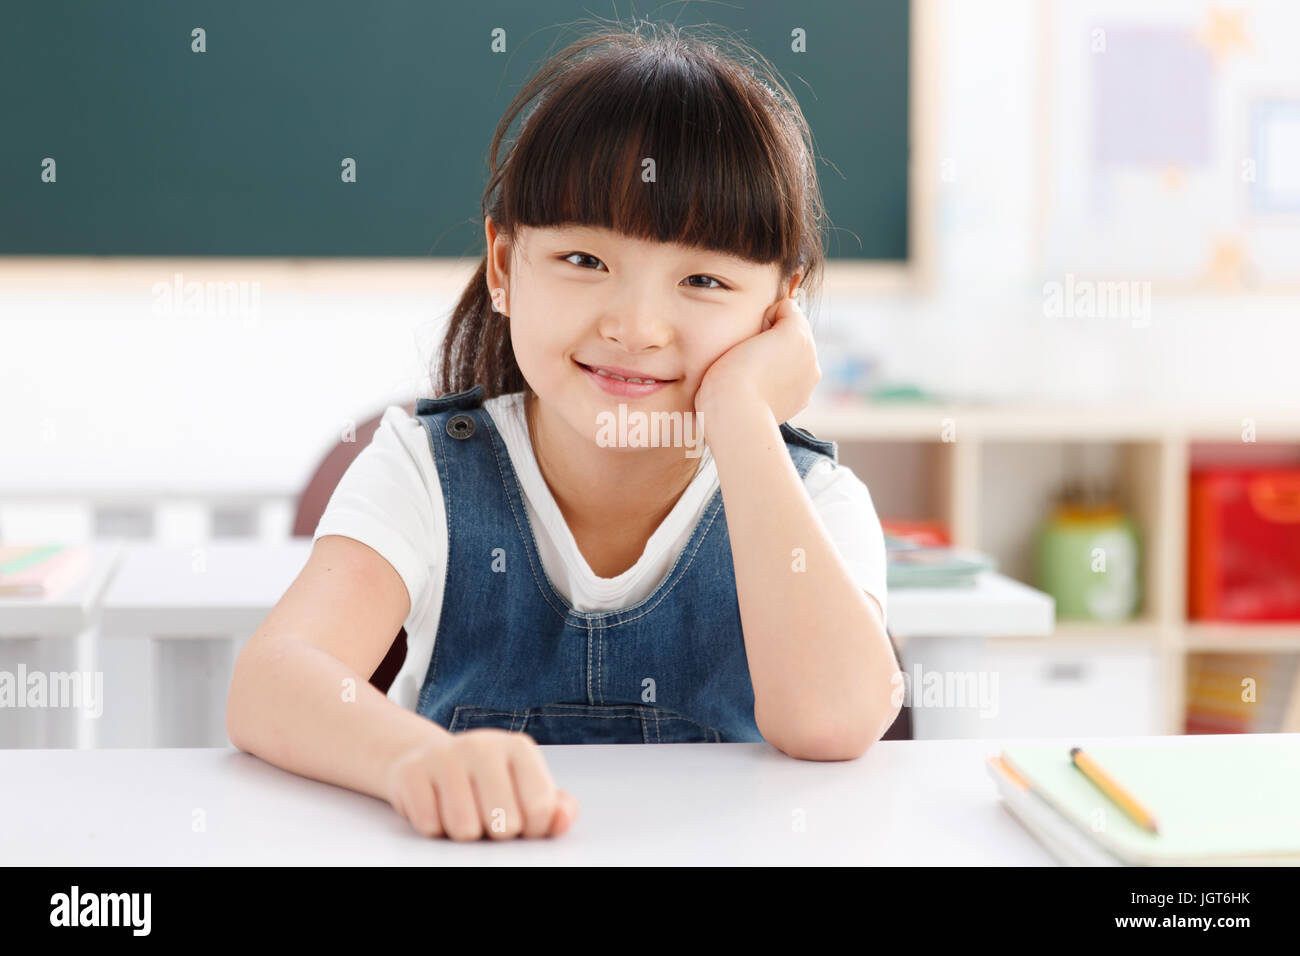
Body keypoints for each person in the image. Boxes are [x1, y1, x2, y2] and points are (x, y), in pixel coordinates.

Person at [227, 19, 899, 842]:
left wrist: (742, 417)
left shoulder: (816, 501)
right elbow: (271, 680)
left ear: (778, 308)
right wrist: (412, 758)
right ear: (505, 267)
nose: (636, 325)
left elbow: (832, 722)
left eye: (702, 278)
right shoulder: (424, 469)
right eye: (585, 261)